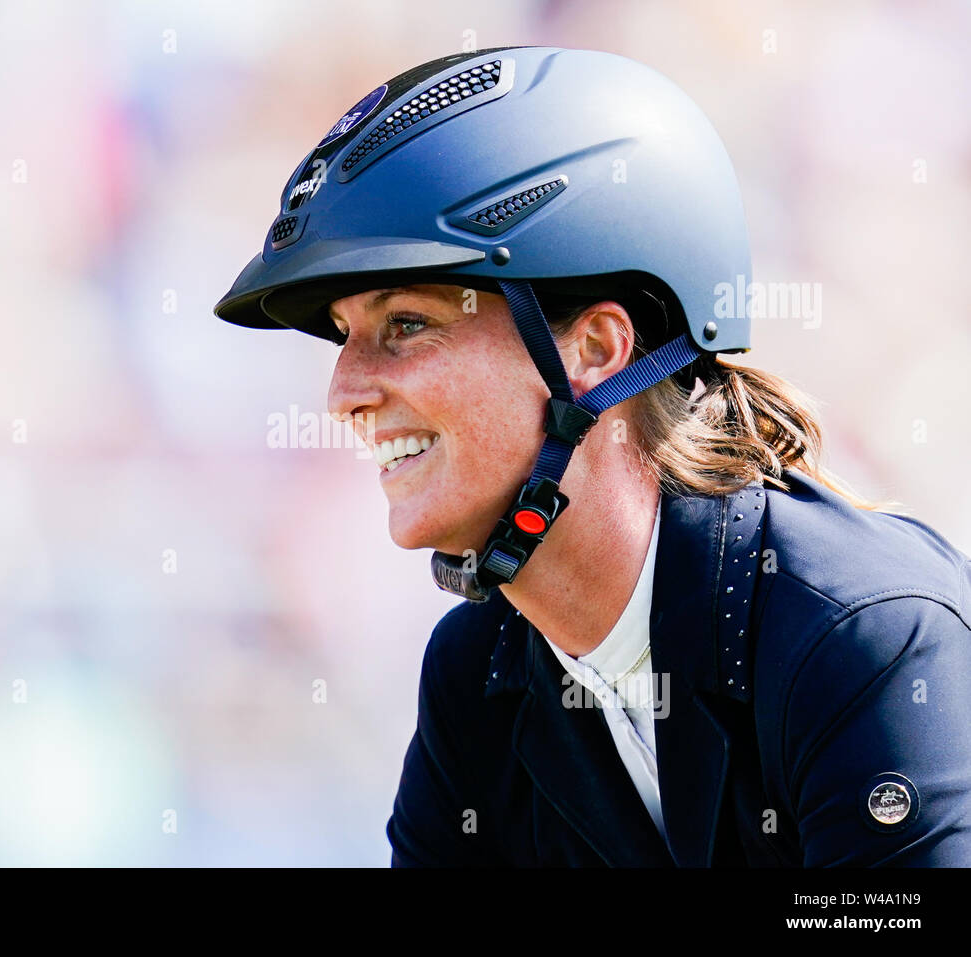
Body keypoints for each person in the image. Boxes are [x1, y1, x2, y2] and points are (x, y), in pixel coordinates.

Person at [213, 45, 971, 866]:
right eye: (345, 336)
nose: (344, 393)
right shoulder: (477, 677)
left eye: (405, 323)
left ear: (598, 348)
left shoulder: (864, 638)